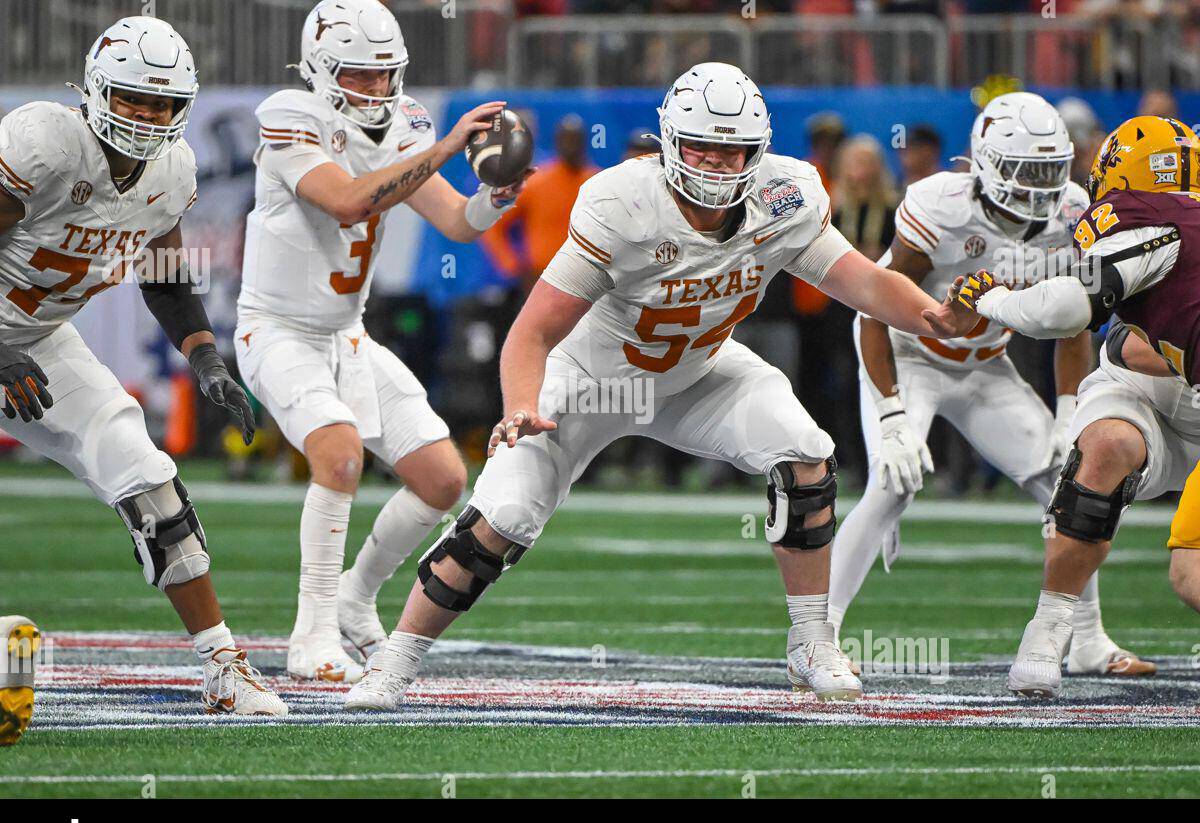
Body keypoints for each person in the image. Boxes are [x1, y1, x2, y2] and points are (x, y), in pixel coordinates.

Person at [343, 62, 979, 712]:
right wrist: (521, 405)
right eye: (702, 144)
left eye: (732, 149)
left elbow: (863, 282)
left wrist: (930, 313)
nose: (717, 162)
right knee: (498, 521)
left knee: (806, 454)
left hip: (698, 374)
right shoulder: (622, 203)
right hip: (589, 381)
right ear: (670, 141)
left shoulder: (785, 196)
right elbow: (530, 333)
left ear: (757, 150)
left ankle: (811, 640)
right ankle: (393, 663)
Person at [0, 16, 286, 722]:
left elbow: (163, 276)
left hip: (36, 342)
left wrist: (206, 357)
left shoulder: (171, 172)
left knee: (150, 480)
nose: (147, 115)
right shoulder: (43, 143)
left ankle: (222, 664)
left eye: (161, 104)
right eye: (132, 98)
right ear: (96, 90)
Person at [235, 0, 527, 683]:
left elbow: (455, 222)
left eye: (383, 74)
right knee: (338, 457)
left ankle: (358, 595)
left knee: (443, 478)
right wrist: (448, 147)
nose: (374, 90)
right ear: (319, 70)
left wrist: (494, 195)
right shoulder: (292, 116)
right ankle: (310, 633)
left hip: (348, 335)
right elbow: (348, 201)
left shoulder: (406, 124)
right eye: (358, 76)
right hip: (277, 330)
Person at [828, 93, 1152, 679]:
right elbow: (870, 311)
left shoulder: (1074, 210)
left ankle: (1086, 641)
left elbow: (1072, 321)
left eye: (1050, 169)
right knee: (892, 484)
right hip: (912, 359)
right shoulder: (939, 206)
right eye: (1025, 169)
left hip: (985, 367)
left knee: (1070, 486)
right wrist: (893, 417)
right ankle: (819, 636)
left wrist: (1068, 414)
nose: (1039, 184)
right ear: (985, 162)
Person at [959, 115, 1200, 696]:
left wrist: (989, 298)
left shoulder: (1150, 217)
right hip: (1141, 395)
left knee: (1190, 575)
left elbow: (1069, 310)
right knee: (1107, 450)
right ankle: (1049, 630)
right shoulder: (1162, 225)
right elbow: (1082, 307)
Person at [482, 114, 599, 292]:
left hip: (588, 280)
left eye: (575, 139)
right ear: (557, 142)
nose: (570, 145)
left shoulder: (597, 182)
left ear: (584, 142)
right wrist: (512, 265)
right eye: (566, 139)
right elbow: (492, 222)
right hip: (541, 279)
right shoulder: (537, 182)